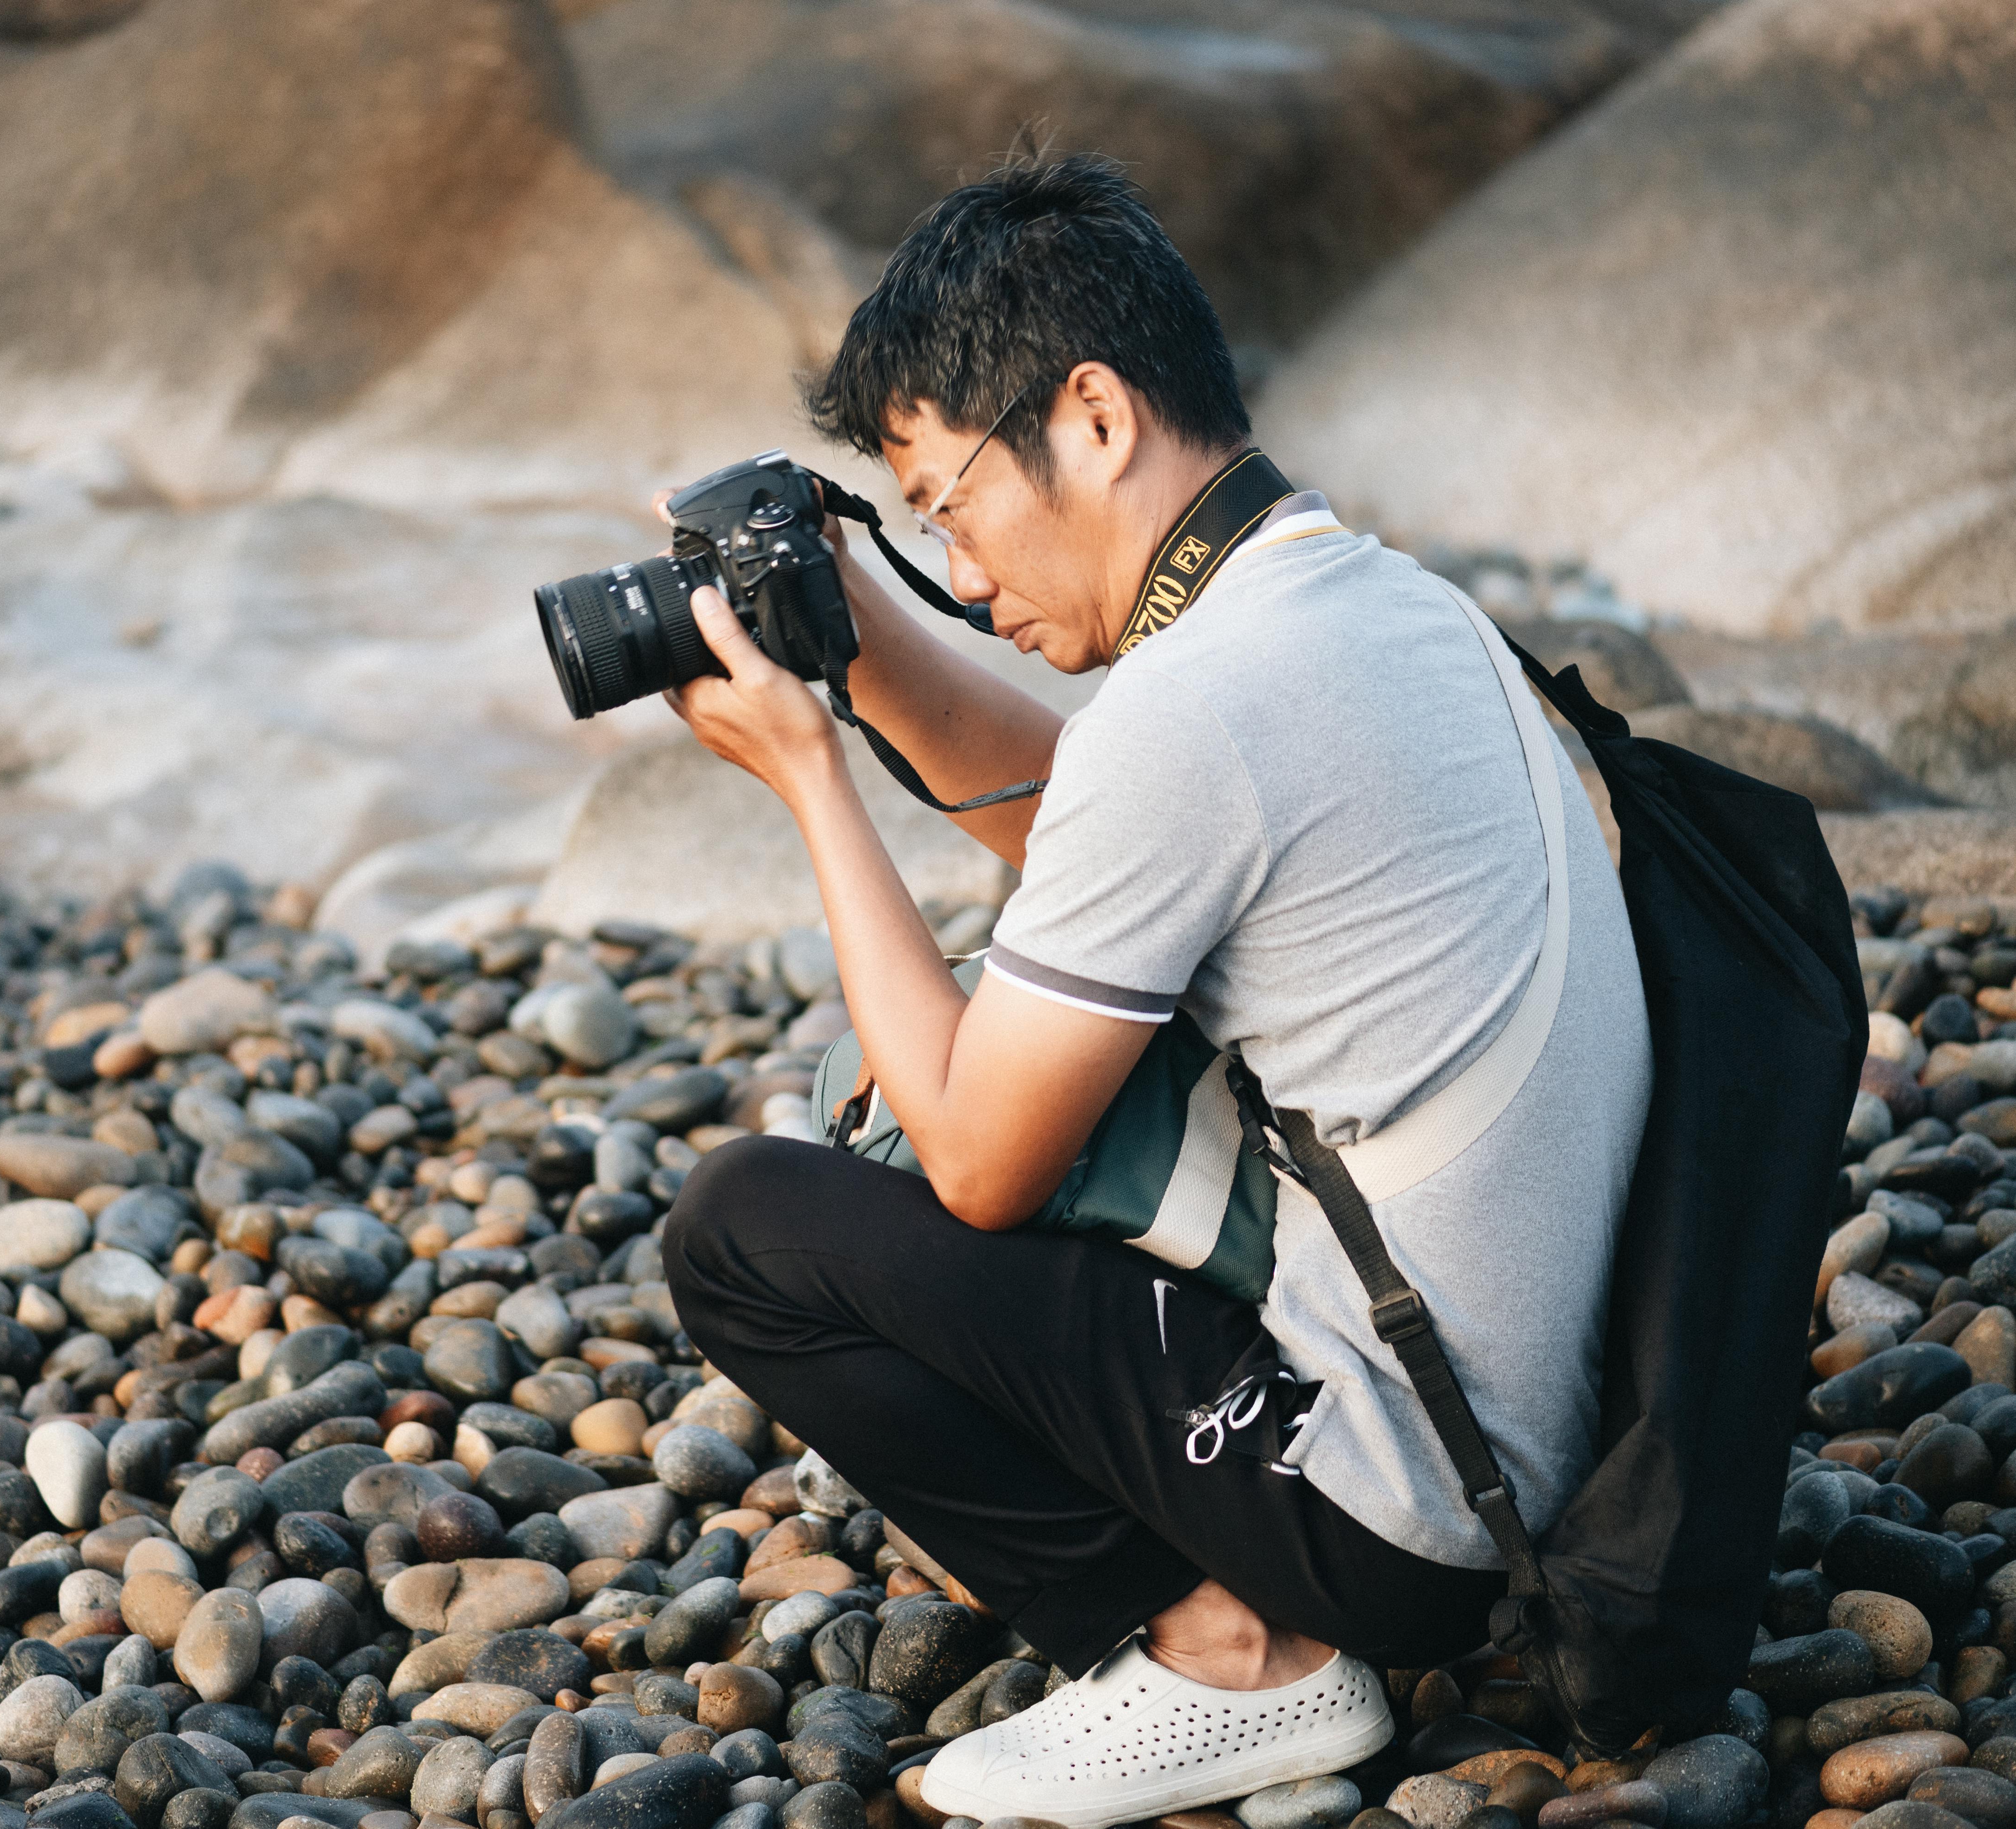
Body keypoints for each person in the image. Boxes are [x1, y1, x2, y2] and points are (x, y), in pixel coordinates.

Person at [654, 152, 1652, 1827]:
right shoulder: (1367, 600)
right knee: (899, 1067)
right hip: (1550, 1429)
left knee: (751, 1224)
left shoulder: (1196, 713)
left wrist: (811, 783)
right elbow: (1091, 841)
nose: (960, 570)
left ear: (1096, 418)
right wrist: (873, 648)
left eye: (950, 507)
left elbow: (979, 1159)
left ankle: (1233, 1654)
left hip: (1411, 1518)